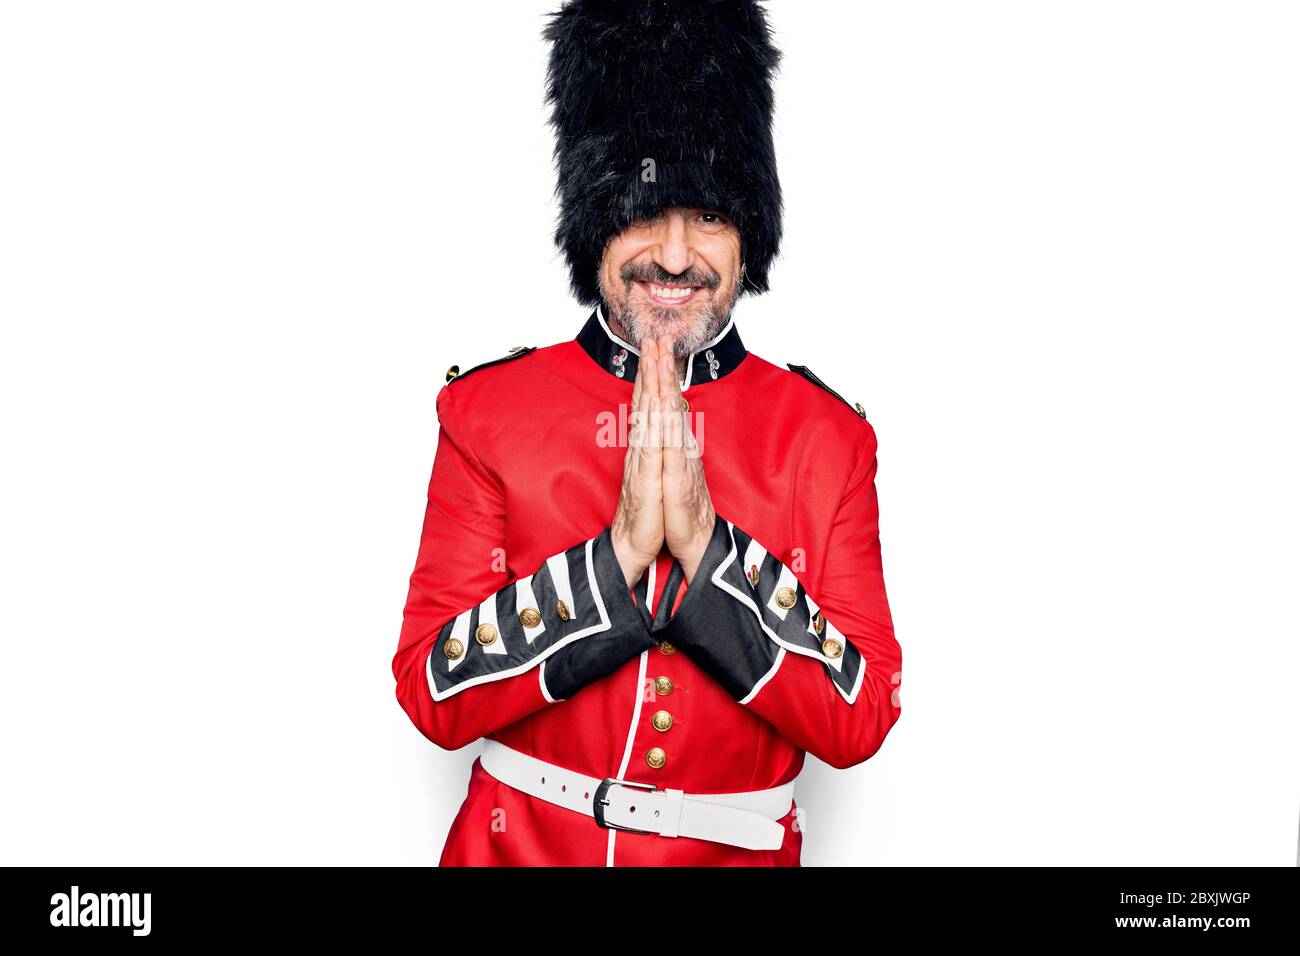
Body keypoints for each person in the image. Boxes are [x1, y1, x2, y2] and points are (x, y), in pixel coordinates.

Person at [392, 0, 902, 866]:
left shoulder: (829, 441)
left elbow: (860, 718)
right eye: (639, 212)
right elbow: (431, 692)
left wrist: (706, 551)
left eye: (707, 216)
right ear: (594, 220)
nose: (673, 256)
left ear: (749, 236)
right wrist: (618, 558)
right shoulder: (489, 413)